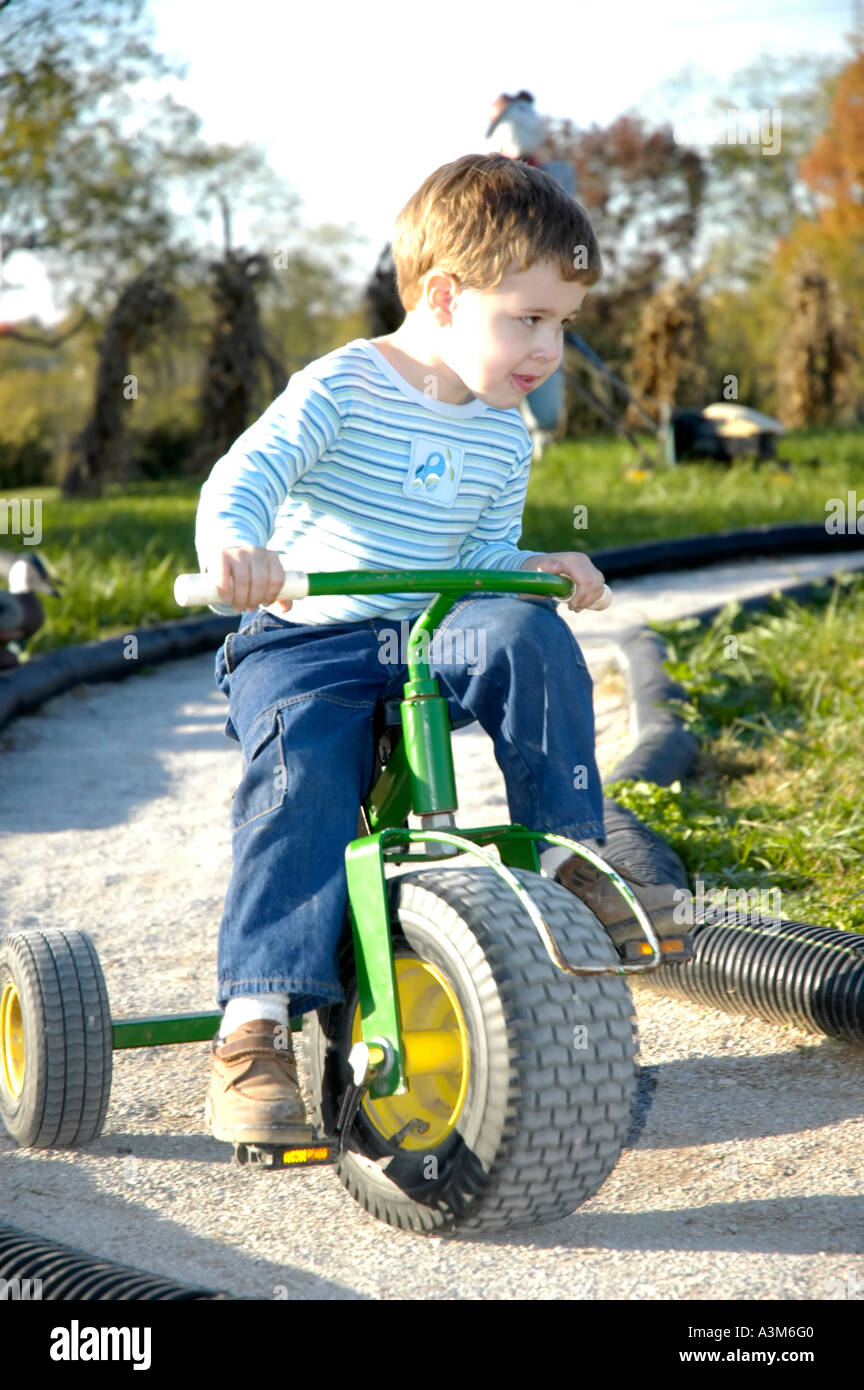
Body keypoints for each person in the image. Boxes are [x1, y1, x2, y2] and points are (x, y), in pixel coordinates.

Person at [194, 152, 678, 1146]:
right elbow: (244, 476)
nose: (548, 348)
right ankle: (253, 1029)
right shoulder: (342, 387)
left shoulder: (503, 434)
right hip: (307, 639)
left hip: (427, 634)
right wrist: (234, 550)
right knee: (304, 782)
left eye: (562, 324)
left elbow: (482, 558)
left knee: (525, 629)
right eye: (528, 318)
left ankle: (571, 859)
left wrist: (534, 564)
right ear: (446, 297)